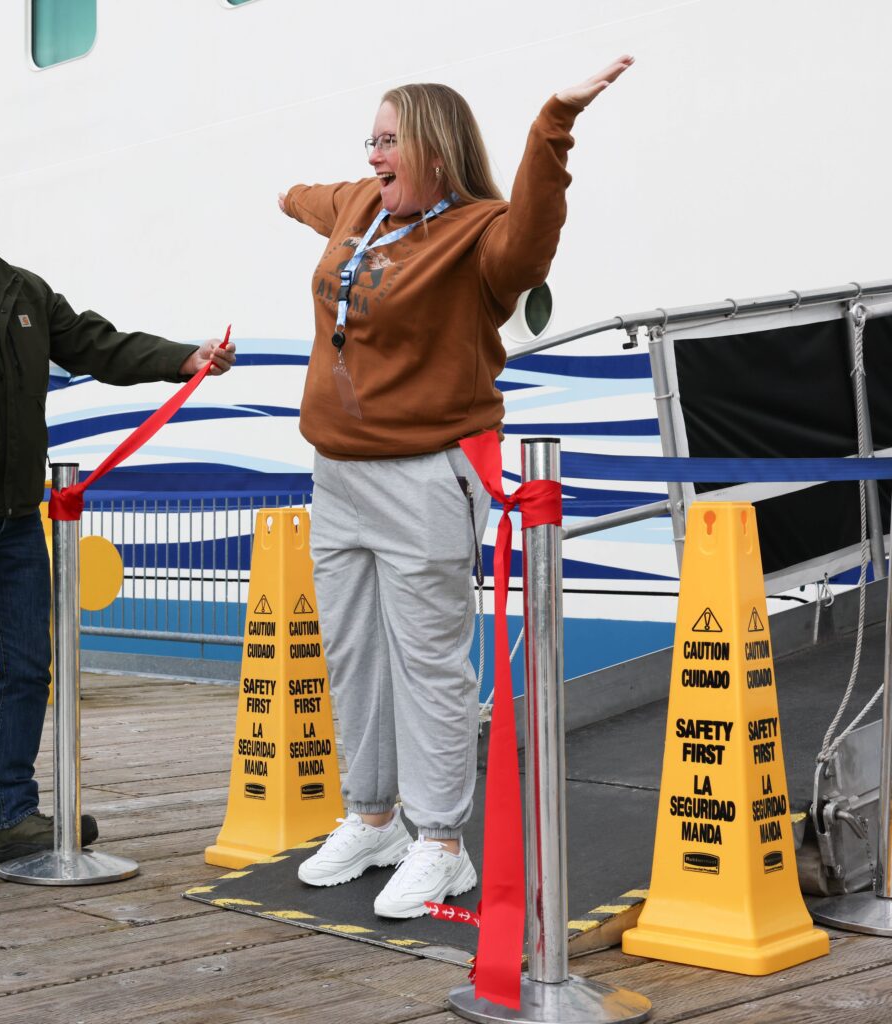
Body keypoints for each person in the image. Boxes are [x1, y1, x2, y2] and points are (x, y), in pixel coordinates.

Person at [281, 58, 634, 917]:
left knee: (429, 665)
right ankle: (373, 817)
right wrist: (291, 196)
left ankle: (441, 840)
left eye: (388, 141)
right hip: (338, 476)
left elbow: (536, 232)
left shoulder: (479, 234)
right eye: (369, 141)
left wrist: (553, 123)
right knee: (353, 655)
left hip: (425, 476)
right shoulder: (363, 205)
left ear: (436, 150)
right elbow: (310, 198)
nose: (373, 157)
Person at [0, 149, 235, 887]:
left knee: (28, 663)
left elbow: (96, 343)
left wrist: (183, 358)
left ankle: (12, 817)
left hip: (12, 511)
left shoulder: (21, 289)